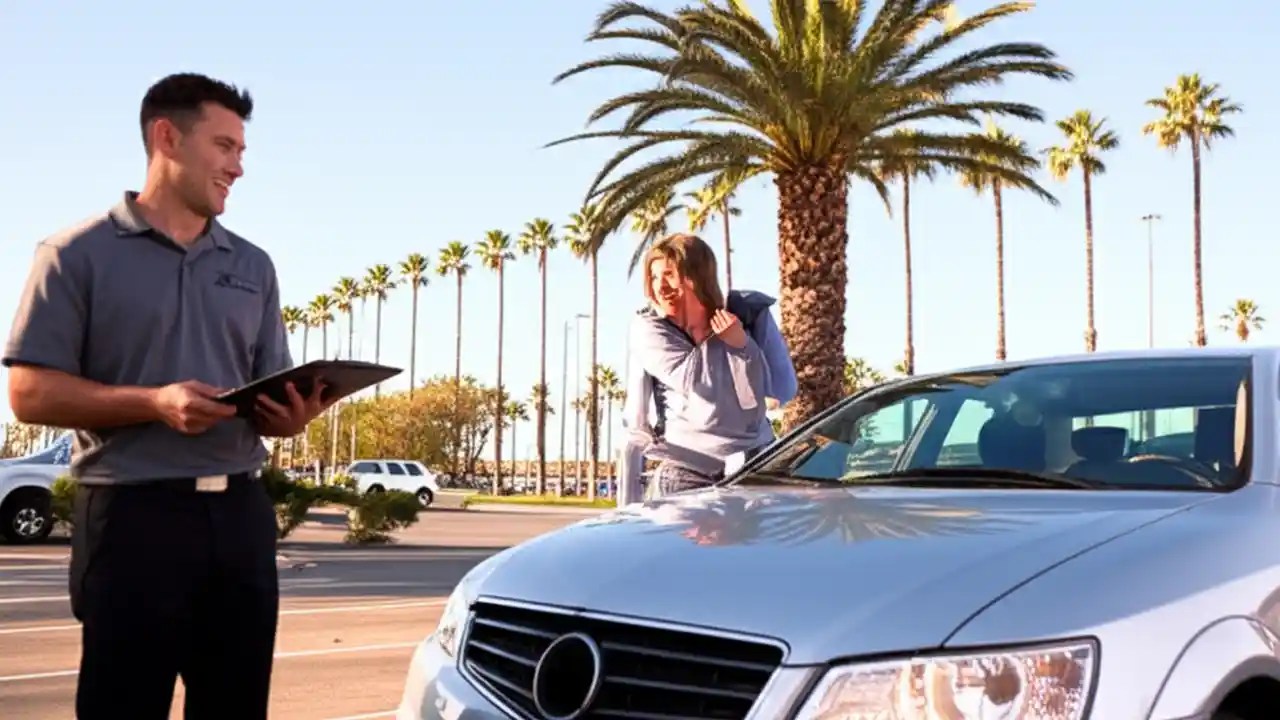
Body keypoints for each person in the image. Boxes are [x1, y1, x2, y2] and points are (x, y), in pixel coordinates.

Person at [2, 72, 331, 719]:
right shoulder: (74, 254)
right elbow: (29, 393)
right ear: (166, 138)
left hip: (240, 517)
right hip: (131, 521)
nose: (239, 167)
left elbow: (273, 380)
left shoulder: (254, 265)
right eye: (225, 146)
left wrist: (294, 416)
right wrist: (155, 403)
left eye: (241, 150)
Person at [616, 233, 796, 503]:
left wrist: (742, 344)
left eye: (669, 275)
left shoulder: (747, 313)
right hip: (686, 468)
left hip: (754, 462)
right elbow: (696, 384)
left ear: (697, 277)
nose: (659, 287)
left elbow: (782, 389)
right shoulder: (650, 328)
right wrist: (723, 341)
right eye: (653, 277)